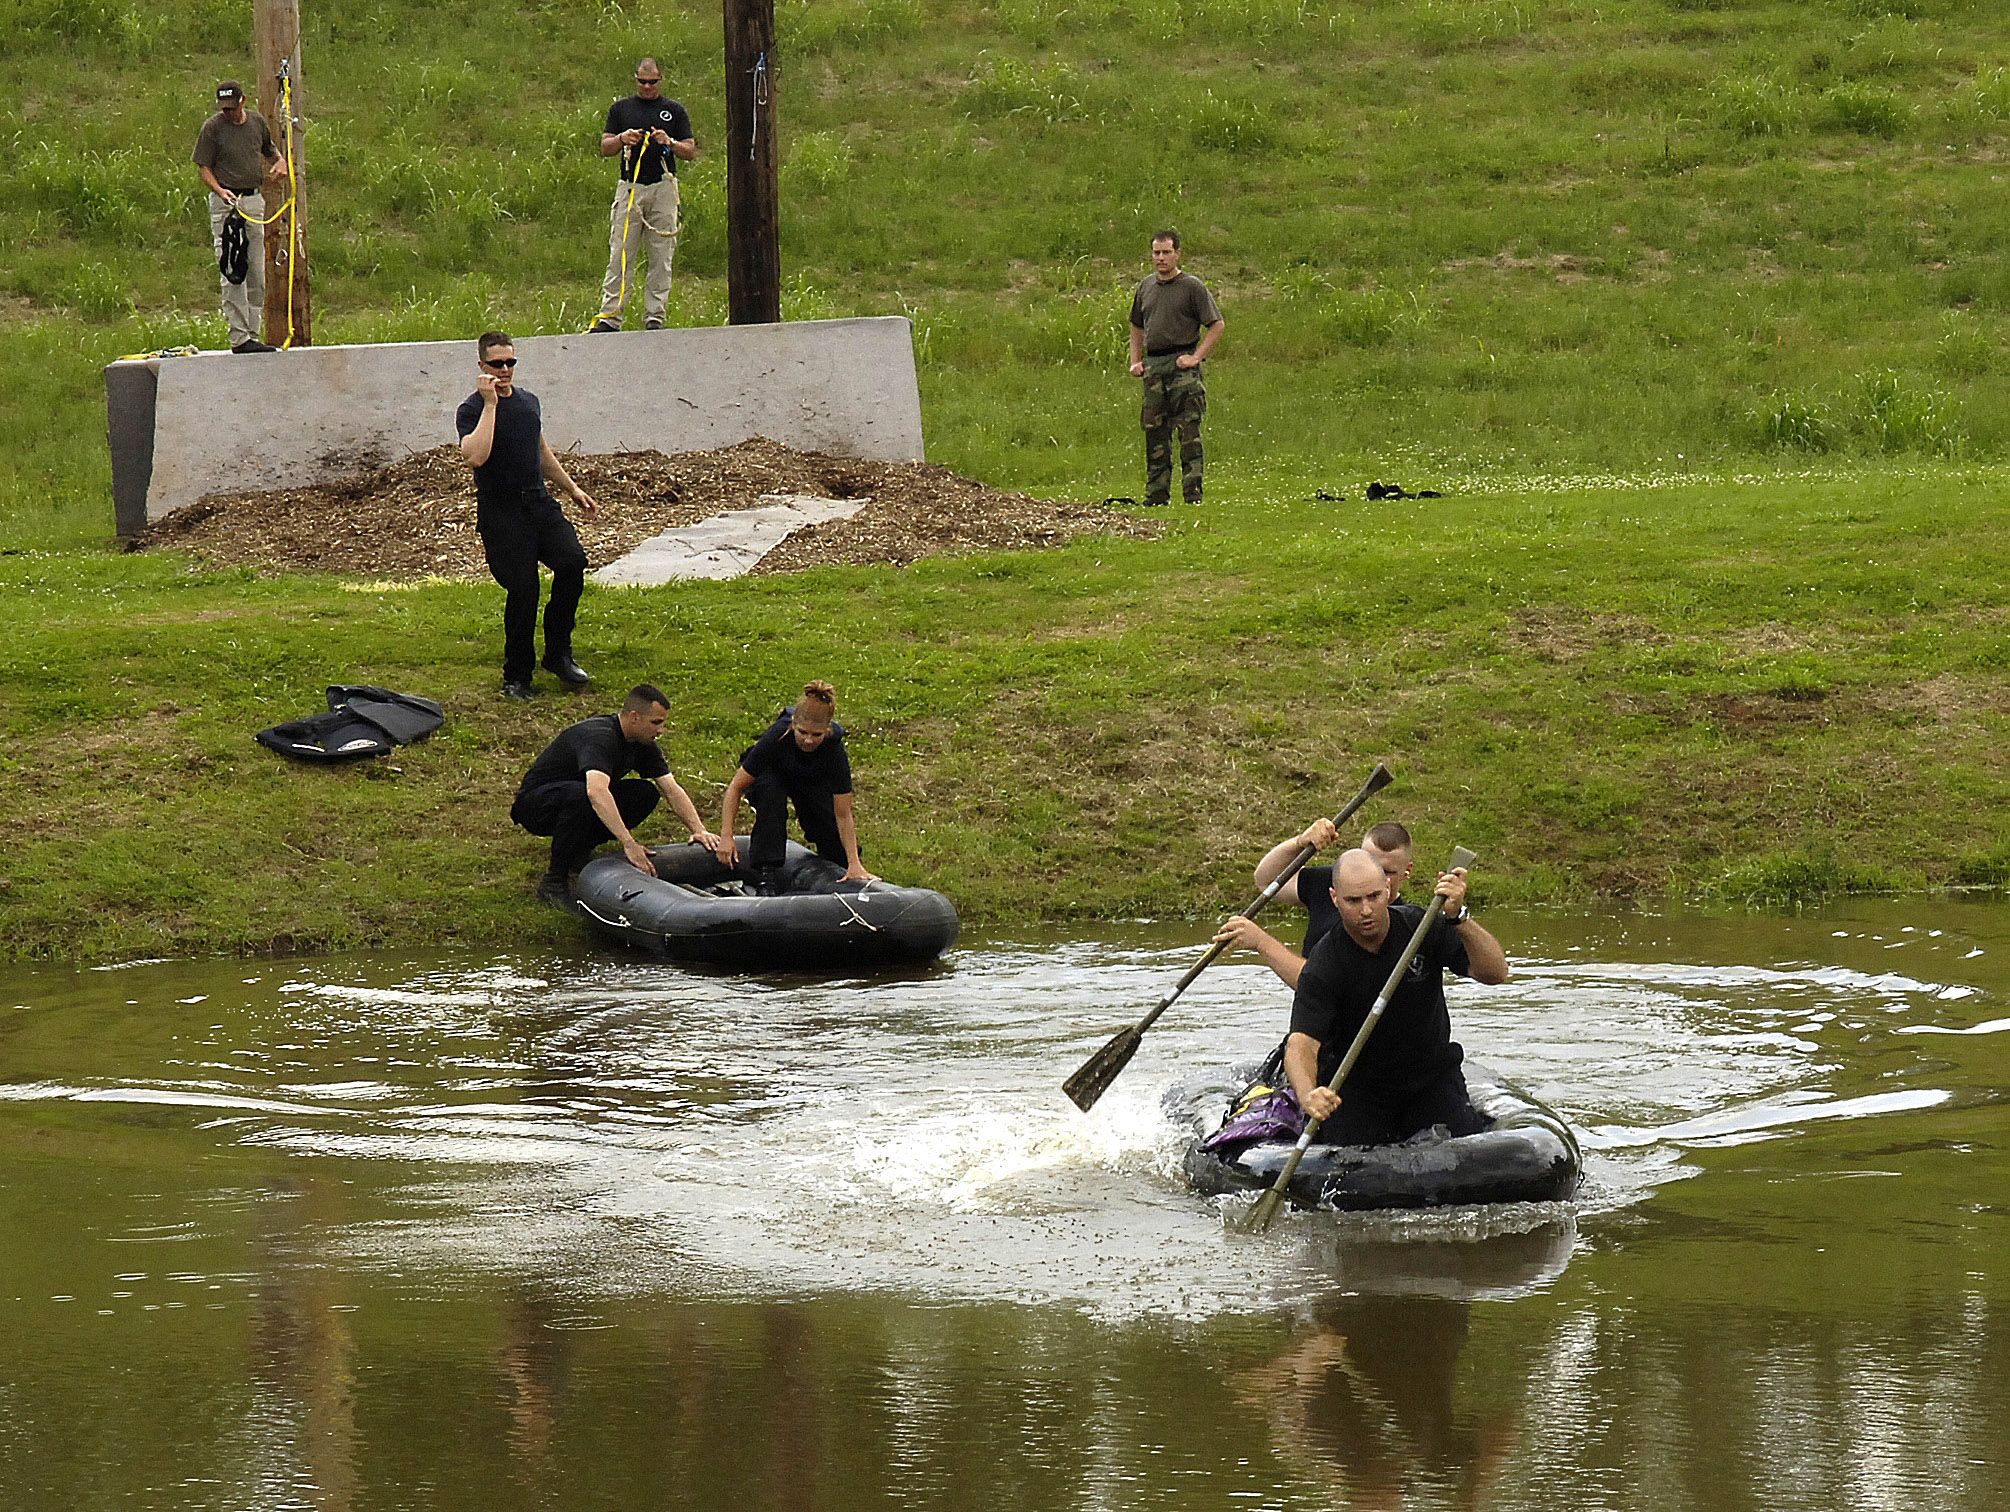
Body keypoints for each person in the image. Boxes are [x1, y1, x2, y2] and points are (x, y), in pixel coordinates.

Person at [1283, 848, 1509, 1146]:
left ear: (1388, 889)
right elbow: (1302, 1042)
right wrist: (1308, 1094)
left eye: (1374, 897)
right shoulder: (1323, 964)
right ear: (1335, 899)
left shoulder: (1421, 926)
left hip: (1431, 1078)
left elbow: (1495, 973)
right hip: (1357, 1088)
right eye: (1353, 901)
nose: (1366, 911)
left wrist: (1459, 918)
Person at [455, 331, 599, 701]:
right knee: (524, 589)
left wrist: (573, 489)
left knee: (571, 563)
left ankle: (558, 654)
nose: (504, 370)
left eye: (510, 362)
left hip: (538, 503)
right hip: (502, 510)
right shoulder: (472, 409)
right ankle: (517, 675)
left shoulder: (529, 402)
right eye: (496, 364)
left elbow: (540, 450)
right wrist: (490, 405)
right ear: (481, 365)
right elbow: (475, 456)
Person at [511, 684, 720, 904]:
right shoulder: (600, 737)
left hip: (578, 799)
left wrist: (699, 830)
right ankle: (554, 881)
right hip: (536, 806)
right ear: (634, 717)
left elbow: (670, 787)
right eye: (656, 722)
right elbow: (596, 792)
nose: (661, 730)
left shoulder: (643, 743)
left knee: (645, 793)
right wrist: (628, 843)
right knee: (582, 795)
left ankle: (578, 850)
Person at [1215, 819, 1415, 989]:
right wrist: (1300, 842)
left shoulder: (1404, 927)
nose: (1374, 876)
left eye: (1387, 871)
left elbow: (1320, 986)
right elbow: (1266, 880)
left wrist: (1261, 942)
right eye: (1370, 863)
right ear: (1334, 895)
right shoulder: (1328, 881)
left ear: (1407, 871)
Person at [717, 681, 875, 889]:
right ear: (793, 725)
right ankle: (766, 875)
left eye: (816, 735)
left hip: (807, 775)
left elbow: (843, 813)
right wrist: (726, 836)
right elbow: (735, 788)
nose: (808, 740)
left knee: (824, 817)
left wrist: (854, 863)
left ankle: (839, 865)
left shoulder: (834, 749)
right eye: (802, 732)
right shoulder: (777, 736)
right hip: (771, 772)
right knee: (772, 805)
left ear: (827, 731)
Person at [588, 58, 696, 333]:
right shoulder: (621, 109)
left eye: (652, 82)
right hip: (630, 187)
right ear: (635, 79)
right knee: (621, 253)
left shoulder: (673, 111)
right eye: (642, 81)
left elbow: (689, 150)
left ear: (661, 80)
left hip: (662, 187)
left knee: (661, 255)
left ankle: (654, 316)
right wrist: (623, 138)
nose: (647, 87)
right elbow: (605, 146)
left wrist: (668, 142)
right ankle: (611, 316)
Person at [1127, 229, 1224, 507]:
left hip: (1182, 365)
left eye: (1166, 252)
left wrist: (1196, 357)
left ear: (1177, 254)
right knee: (1154, 431)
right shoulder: (1145, 287)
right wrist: (1136, 360)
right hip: (1154, 365)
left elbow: (1216, 324)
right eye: (1156, 253)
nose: (1160, 258)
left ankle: (1193, 494)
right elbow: (1136, 325)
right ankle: (1157, 494)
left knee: (1188, 431)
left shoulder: (1192, 287)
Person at [191, 80, 288, 354]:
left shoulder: (256, 122)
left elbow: (270, 151)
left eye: (233, 108)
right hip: (226, 203)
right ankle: (239, 337)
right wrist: (220, 190)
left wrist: (279, 162)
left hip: (253, 200)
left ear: (243, 101)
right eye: (225, 109)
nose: (229, 113)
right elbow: (203, 167)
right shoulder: (212, 129)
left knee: (256, 270)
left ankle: (252, 335)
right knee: (233, 269)